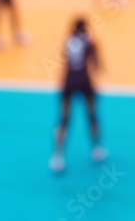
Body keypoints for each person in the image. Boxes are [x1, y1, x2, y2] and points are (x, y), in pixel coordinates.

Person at [50, 18, 106, 173]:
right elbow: (96, 65)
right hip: (84, 81)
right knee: (92, 116)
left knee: (64, 120)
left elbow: (64, 64)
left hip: (69, 82)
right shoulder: (90, 42)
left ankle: (57, 156)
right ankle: (97, 149)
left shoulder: (67, 41)